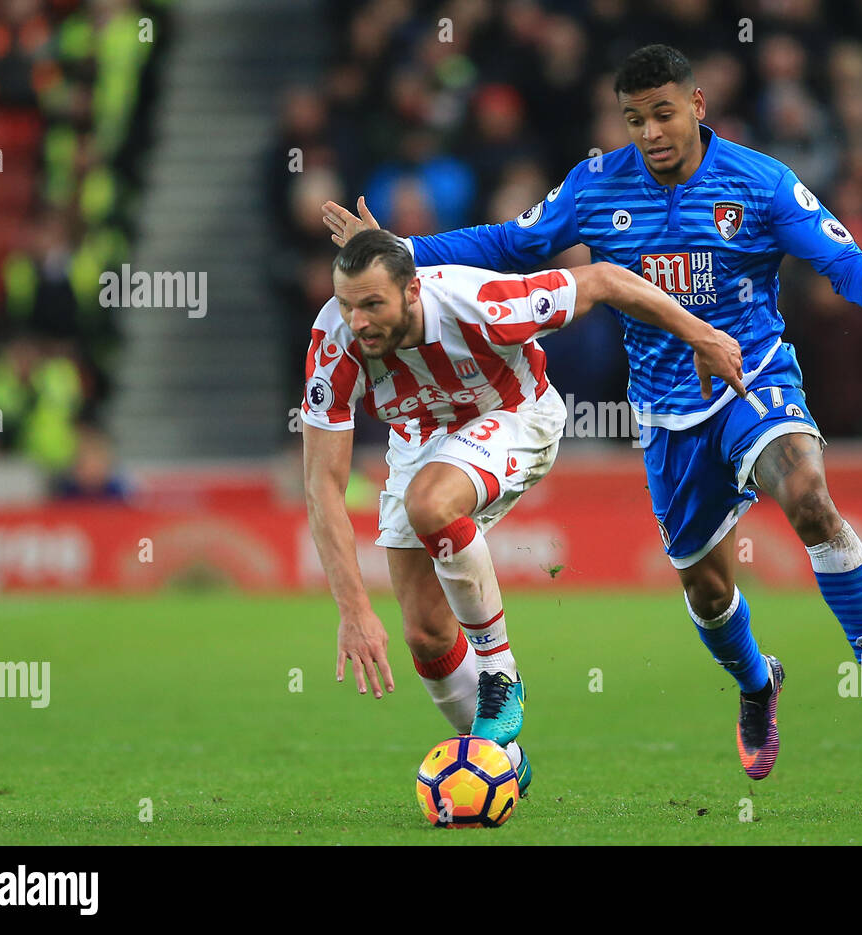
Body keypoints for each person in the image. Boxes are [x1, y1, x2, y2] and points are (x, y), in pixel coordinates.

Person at [324, 44, 862, 774]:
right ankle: (756, 681)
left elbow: (839, 259)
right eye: (634, 119)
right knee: (710, 593)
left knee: (809, 495)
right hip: (664, 409)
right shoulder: (595, 187)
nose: (650, 132)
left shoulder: (761, 181)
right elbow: (512, 242)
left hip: (753, 379)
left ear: (697, 106)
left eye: (663, 114)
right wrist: (402, 249)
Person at [302, 228, 743, 792]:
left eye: (371, 304)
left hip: (517, 414)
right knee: (426, 634)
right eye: (346, 305)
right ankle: (501, 764)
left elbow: (605, 280)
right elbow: (321, 485)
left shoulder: (481, 305)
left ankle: (499, 674)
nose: (357, 321)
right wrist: (355, 611)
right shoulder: (335, 341)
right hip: (420, 437)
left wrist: (702, 335)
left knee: (429, 502)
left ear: (413, 292)